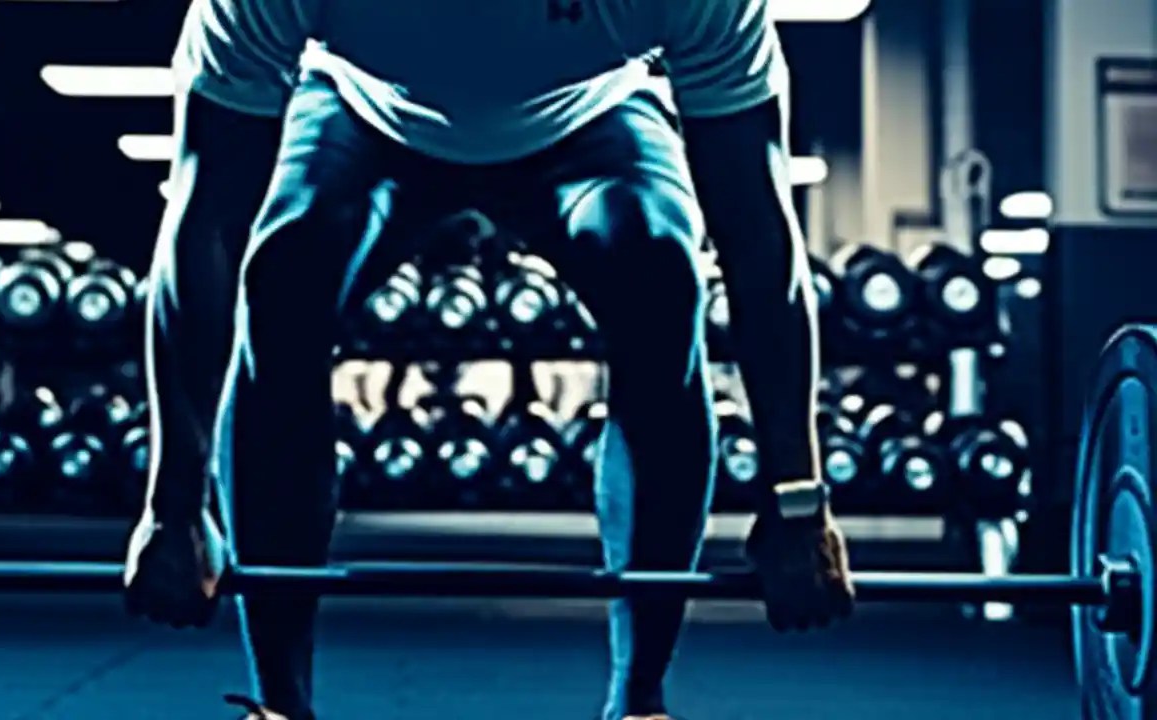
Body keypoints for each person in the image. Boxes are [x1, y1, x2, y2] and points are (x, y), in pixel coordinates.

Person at [124, 2, 857, 719]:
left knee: (663, 267)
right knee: (282, 269)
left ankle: (639, 702)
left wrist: (797, 499)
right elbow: (207, 226)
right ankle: (280, 703)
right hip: (364, 112)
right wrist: (176, 504)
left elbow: (760, 240)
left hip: (588, 120)